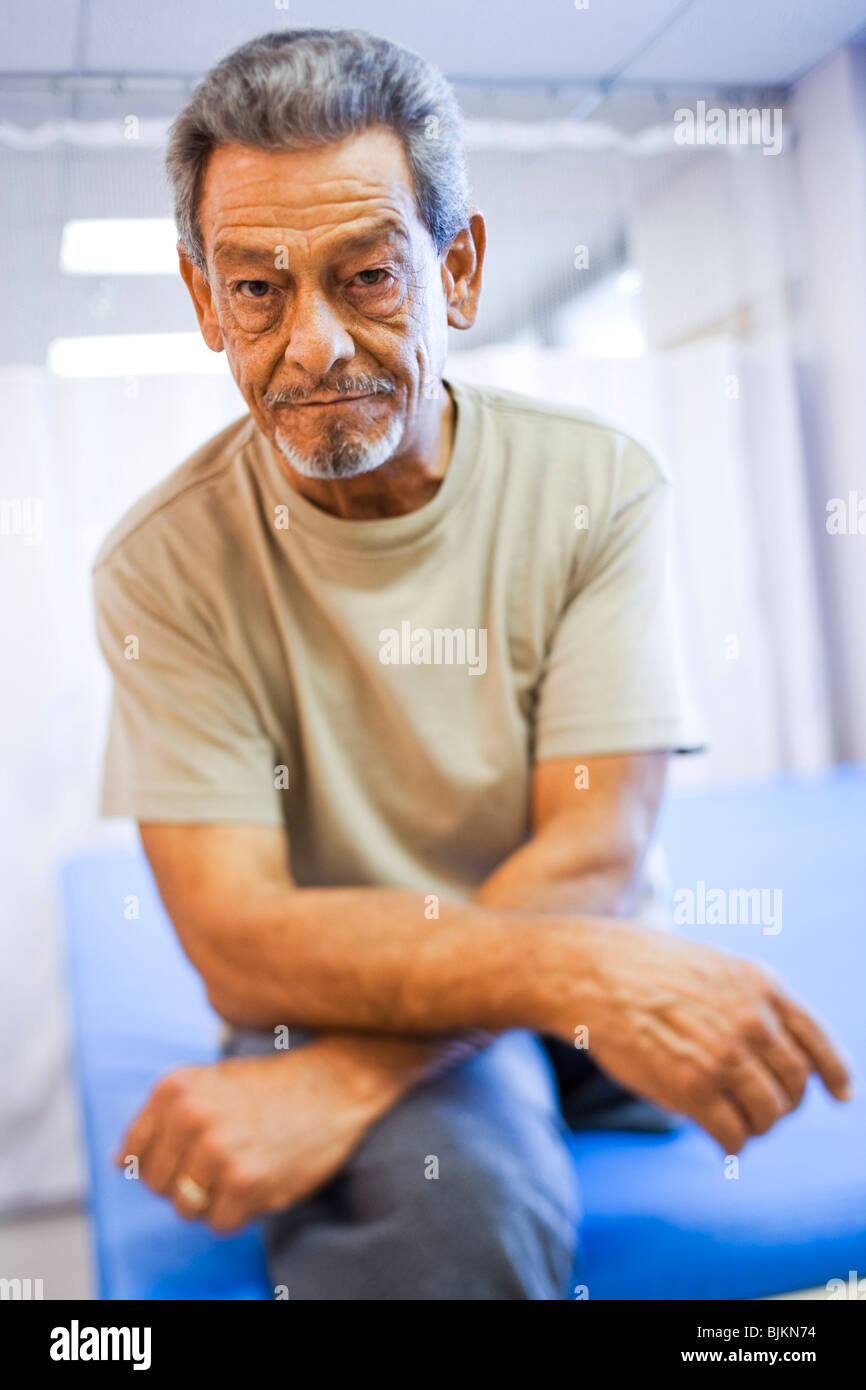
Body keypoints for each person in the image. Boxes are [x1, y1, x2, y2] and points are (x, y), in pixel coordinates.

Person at [92, 28, 851, 1300]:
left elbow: (599, 849)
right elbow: (240, 944)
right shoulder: (160, 566)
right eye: (258, 290)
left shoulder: (594, 486)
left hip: (582, 942)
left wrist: (351, 1078)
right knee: (463, 1217)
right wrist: (558, 982)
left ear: (458, 268)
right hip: (387, 980)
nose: (315, 345)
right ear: (203, 299)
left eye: (368, 276)